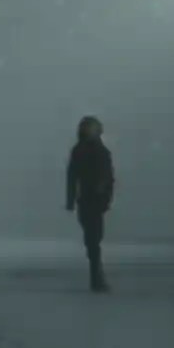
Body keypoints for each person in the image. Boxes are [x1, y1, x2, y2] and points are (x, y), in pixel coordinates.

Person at [65, 115, 115, 292]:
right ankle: (97, 275)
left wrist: (105, 197)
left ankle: (96, 274)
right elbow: (72, 178)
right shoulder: (80, 151)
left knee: (93, 239)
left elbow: (108, 178)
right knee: (93, 239)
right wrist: (70, 200)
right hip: (87, 200)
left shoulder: (99, 151)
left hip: (93, 201)